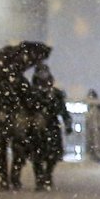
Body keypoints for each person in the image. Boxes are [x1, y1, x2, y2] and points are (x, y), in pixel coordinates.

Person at [25, 63, 74, 191]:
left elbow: (63, 110)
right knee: (36, 154)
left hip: (51, 125)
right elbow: (25, 110)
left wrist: (67, 123)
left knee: (52, 154)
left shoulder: (55, 93)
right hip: (35, 126)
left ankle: (47, 174)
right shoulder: (30, 93)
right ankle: (40, 178)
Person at [0, 60, 32, 190]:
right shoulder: (22, 85)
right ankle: (12, 177)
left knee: (2, 152)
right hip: (15, 123)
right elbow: (29, 103)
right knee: (16, 151)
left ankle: (5, 178)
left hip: (4, 124)